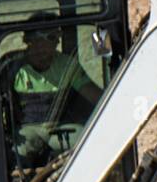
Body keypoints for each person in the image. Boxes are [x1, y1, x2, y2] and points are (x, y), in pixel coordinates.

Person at [12, 26, 102, 164]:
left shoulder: (67, 65)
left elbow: (93, 95)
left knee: (85, 144)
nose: (41, 52)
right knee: (18, 151)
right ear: (28, 43)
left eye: (47, 45)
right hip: (28, 128)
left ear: (56, 43)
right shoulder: (14, 69)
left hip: (62, 127)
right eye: (37, 44)